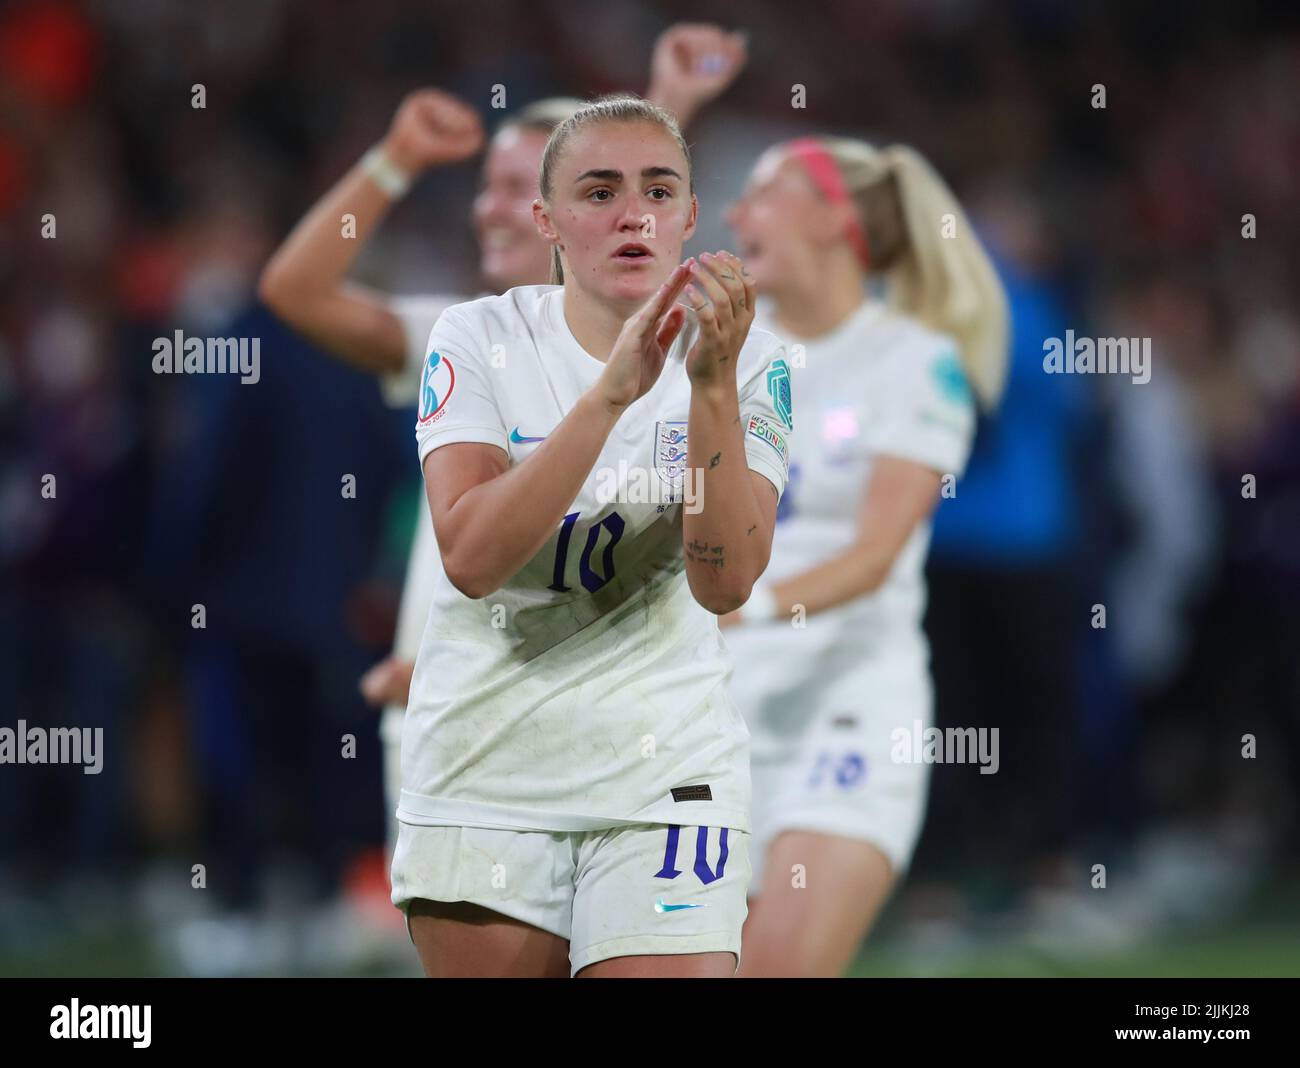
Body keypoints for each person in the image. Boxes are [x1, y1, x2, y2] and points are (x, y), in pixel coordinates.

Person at [257, 24, 749, 857]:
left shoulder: (677, 355)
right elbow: (294, 288)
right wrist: (396, 161)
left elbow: (619, 195)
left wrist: (673, 102)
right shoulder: (459, 339)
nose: (488, 206)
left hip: (601, 716)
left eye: (511, 184)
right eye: (488, 186)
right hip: (454, 715)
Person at [390, 94, 793, 978]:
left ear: (689, 215)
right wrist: (610, 394)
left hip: (669, 772)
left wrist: (713, 390)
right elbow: (470, 557)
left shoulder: (757, 358)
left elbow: (724, 581)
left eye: (658, 190)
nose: (633, 214)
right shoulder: (478, 337)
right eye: (599, 191)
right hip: (487, 766)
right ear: (547, 221)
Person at [720, 136, 1009, 976]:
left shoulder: (915, 364)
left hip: (844, 709)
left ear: (835, 218)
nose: (737, 214)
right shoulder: (714, 349)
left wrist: (751, 604)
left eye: (763, 194)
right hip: (711, 715)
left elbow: (876, 553)